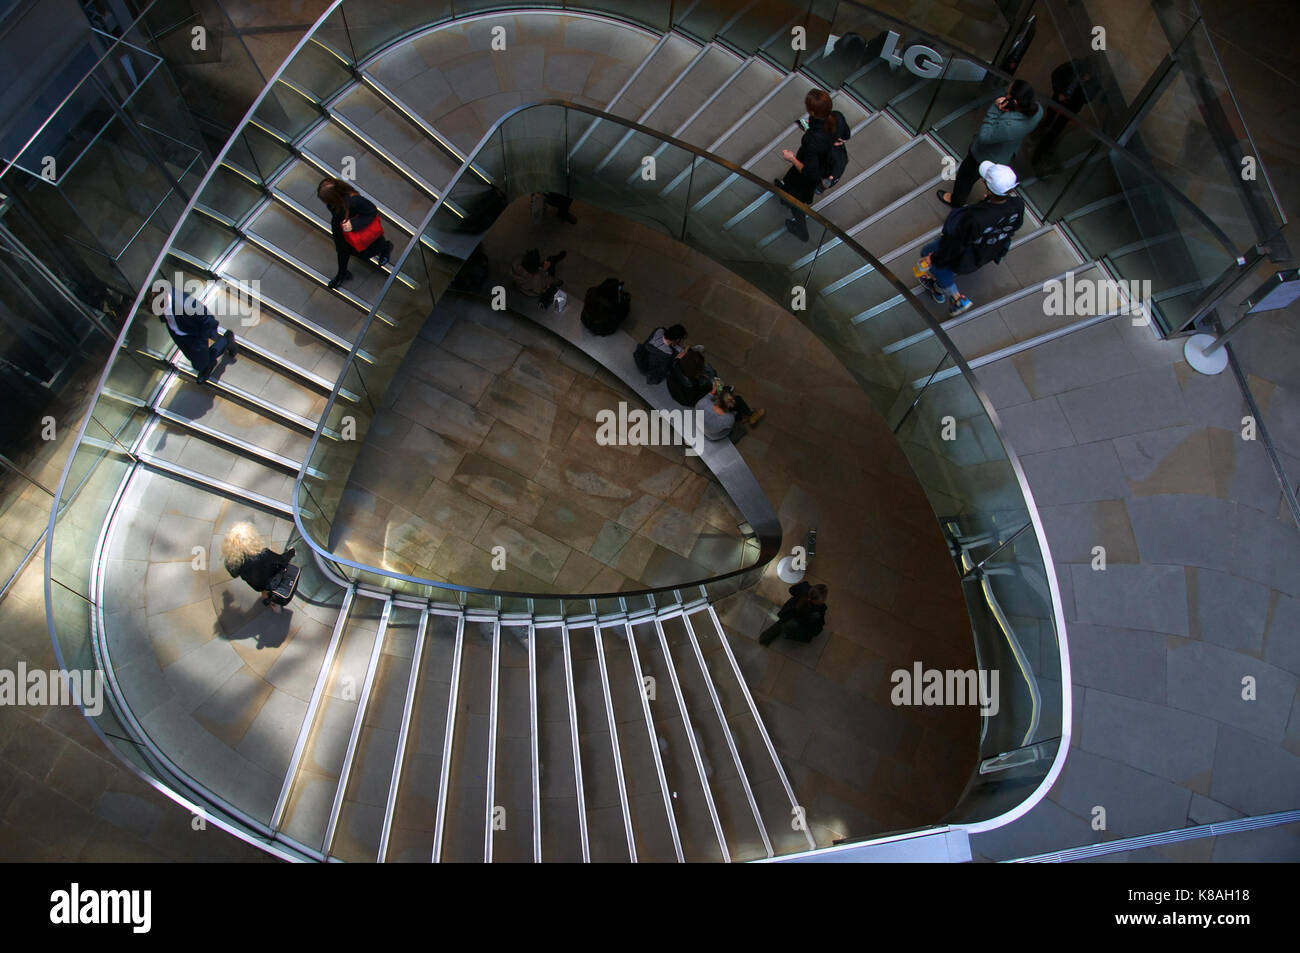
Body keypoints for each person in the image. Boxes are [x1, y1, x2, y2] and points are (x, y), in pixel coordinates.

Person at [916, 161, 1026, 316]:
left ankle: (953, 296)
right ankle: (941, 288)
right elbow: (1014, 225)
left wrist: (933, 258)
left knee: (931, 257)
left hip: (967, 253)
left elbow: (955, 245)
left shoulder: (976, 219)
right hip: (988, 251)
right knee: (942, 263)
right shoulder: (1018, 205)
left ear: (986, 186)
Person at [938, 80, 1042, 208]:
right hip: (1006, 154)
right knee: (989, 180)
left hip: (984, 155)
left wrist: (995, 109)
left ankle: (957, 200)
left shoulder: (1009, 125)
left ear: (1014, 102)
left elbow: (985, 136)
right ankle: (988, 197)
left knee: (965, 177)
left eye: (1007, 94)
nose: (1004, 95)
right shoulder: (1038, 111)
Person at [775, 89, 842, 240]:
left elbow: (809, 173)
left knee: (795, 201)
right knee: (792, 189)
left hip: (806, 177)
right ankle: (784, 194)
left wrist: (791, 158)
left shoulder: (811, 140)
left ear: (811, 111)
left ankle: (802, 231)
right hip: (821, 164)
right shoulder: (834, 120)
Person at [317, 178, 393, 290]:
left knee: (367, 252)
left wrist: (353, 224)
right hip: (343, 235)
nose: (327, 203)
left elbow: (371, 211)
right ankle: (342, 273)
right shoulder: (333, 204)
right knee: (342, 253)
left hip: (359, 233)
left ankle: (386, 247)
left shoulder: (355, 201)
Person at [158, 286, 235, 385]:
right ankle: (208, 362)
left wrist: (201, 341)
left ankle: (225, 341)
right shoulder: (158, 297)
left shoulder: (184, 305)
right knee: (192, 357)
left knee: (199, 364)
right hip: (181, 333)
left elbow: (208, 321)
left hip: (196, 335)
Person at [1031, 57, 1101, 166]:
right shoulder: (1074, 66)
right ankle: (1038, 133)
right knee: (1049, 117)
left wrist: (1081, 87)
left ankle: (1039, 152)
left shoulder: (1094, 82)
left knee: (1055, 129)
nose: (1087, 77)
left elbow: (1088, 98)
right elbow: (1056, 74)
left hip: (1071, 108)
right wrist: (1059, 92)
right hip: (1059, 99)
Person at [222, 522, 296, 612]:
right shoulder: (264, 554)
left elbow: (234, 574)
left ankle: (270, 600)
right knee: (270, 589)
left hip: (255, 583)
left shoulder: (231, 561)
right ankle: (275, 602)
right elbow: (281, 560)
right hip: (270, 579)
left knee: (263, 591)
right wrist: (291, 553)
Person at [759, 582, 828, 646]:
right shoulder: (818, 611)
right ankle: (785, 634)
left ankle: (765, 638)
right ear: (821, 600)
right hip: (798, 623)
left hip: (788, 613)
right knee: (792, 630)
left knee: (780, 624)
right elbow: (816, 630)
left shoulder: (804, 587)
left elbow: (791, 590)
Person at [696, 382, 765, 441]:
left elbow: (709, 395)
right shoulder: (729, 418)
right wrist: (734, 414)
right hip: (713, 436)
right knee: (738, 401)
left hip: (701, 427)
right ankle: (748, 416)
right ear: (730, 407)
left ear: (717, 398)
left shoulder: (701, 402)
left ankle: (747, 415)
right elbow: (729, 425)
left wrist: (714, 390)